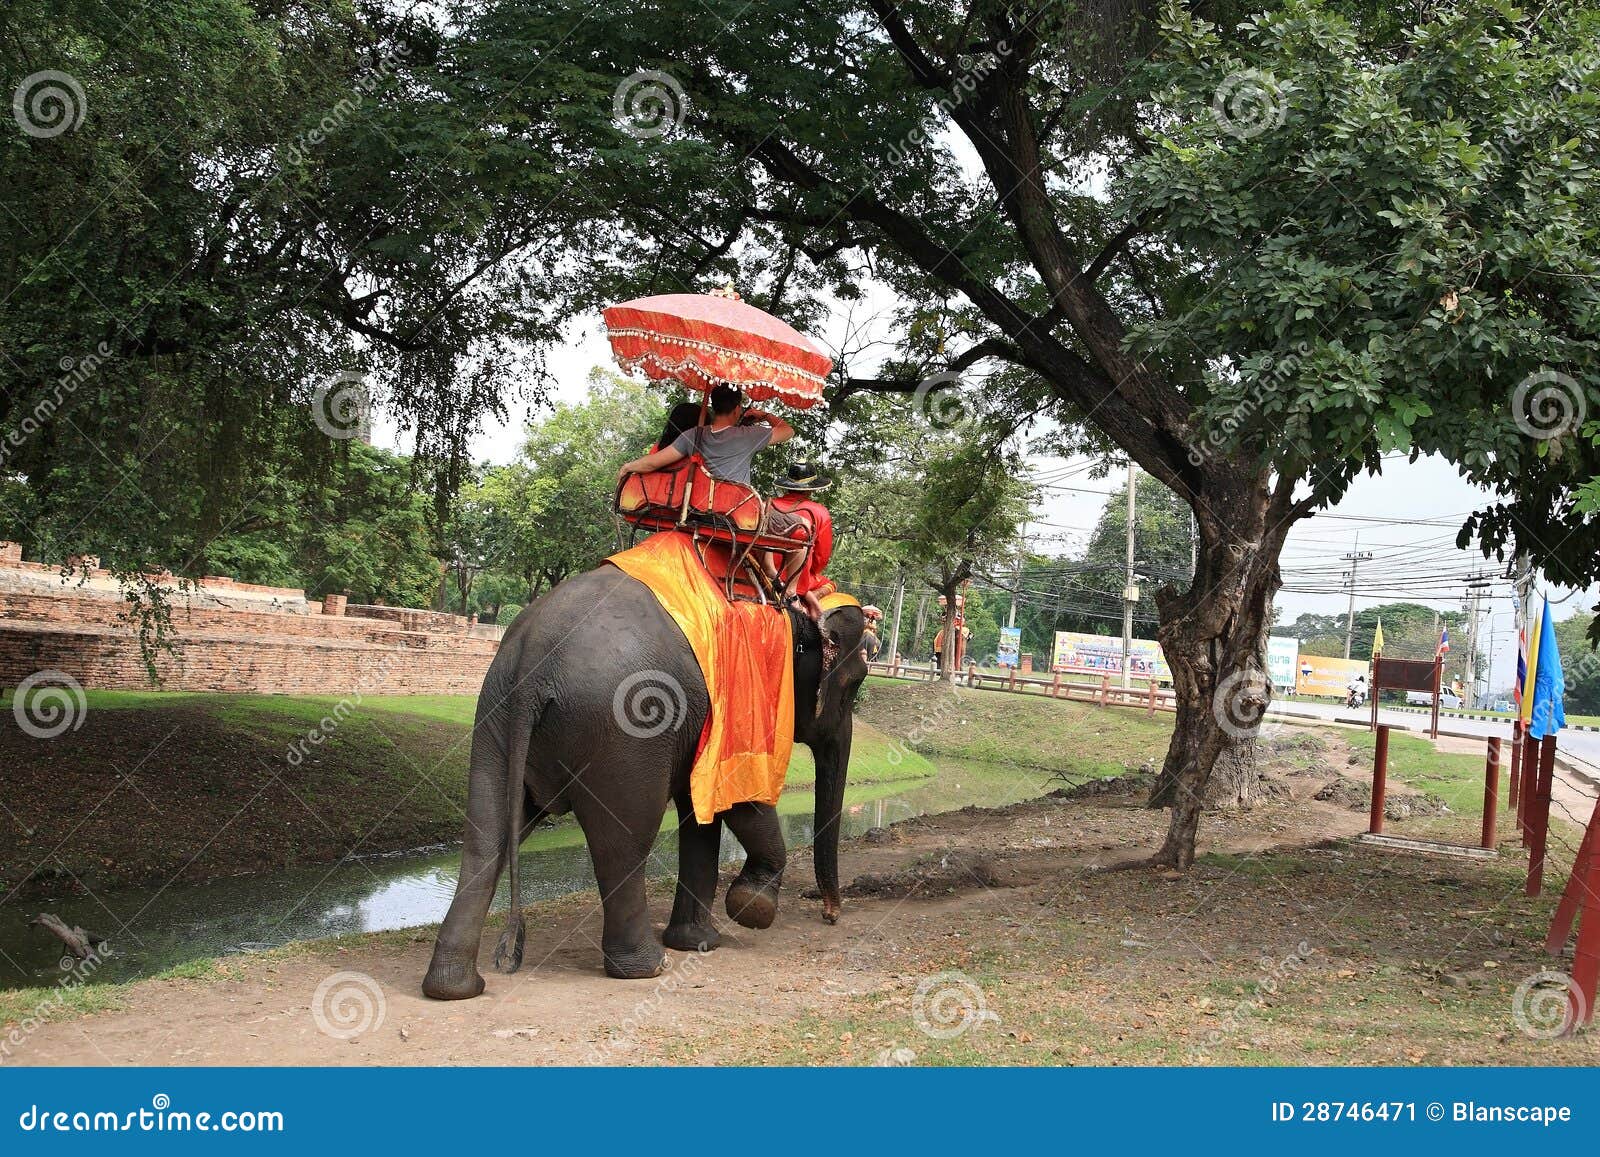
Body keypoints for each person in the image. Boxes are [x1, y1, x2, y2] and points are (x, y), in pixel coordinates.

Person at [617, 383, 792, 487]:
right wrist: (765, 415)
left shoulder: (693, 434)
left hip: (700, 509)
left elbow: (654, 462)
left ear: (714, 407)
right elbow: (788, 431)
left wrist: (627, 467)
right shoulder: (750, 435)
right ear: (737, 409)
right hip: (736, 513)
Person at [768, 461, 833, 619]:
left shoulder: (768, 505)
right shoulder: (820, 512)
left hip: (762, 570)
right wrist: (812, 573)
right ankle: (808, 597)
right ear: (811, 490)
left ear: (787, 485)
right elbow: (820, 559)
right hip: (797, 576)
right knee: (830, 584)